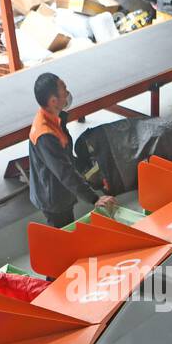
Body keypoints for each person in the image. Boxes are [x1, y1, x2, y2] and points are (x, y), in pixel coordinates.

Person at [28, 72, 116, 228]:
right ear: (54, 101)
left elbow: (65, 154)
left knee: (68, 231)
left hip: (60, 191)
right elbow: (64, 172)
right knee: (63, 235)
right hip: (54, 198)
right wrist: (94, 198)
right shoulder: (45, 134)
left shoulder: (54, 117)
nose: (68, 93)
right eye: (64, 90)